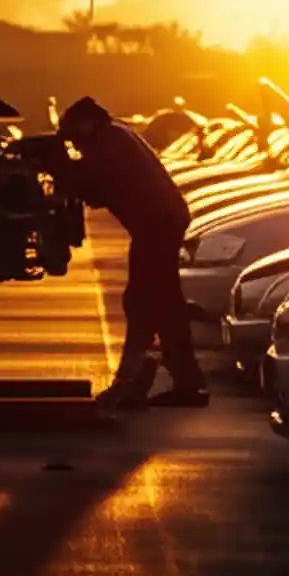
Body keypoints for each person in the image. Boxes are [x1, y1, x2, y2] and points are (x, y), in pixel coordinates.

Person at [54, 97, 209, 409]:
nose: (76, 146)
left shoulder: (110, 144)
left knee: (142, 301)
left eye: (74, 139)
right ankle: (180, 381)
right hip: (159, 221)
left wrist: (57, 166)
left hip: (157, 223)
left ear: (86, 125)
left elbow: (90, 184)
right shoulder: (116, 136)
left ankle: (134, 381)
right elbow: (97, 187)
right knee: (163, 302)